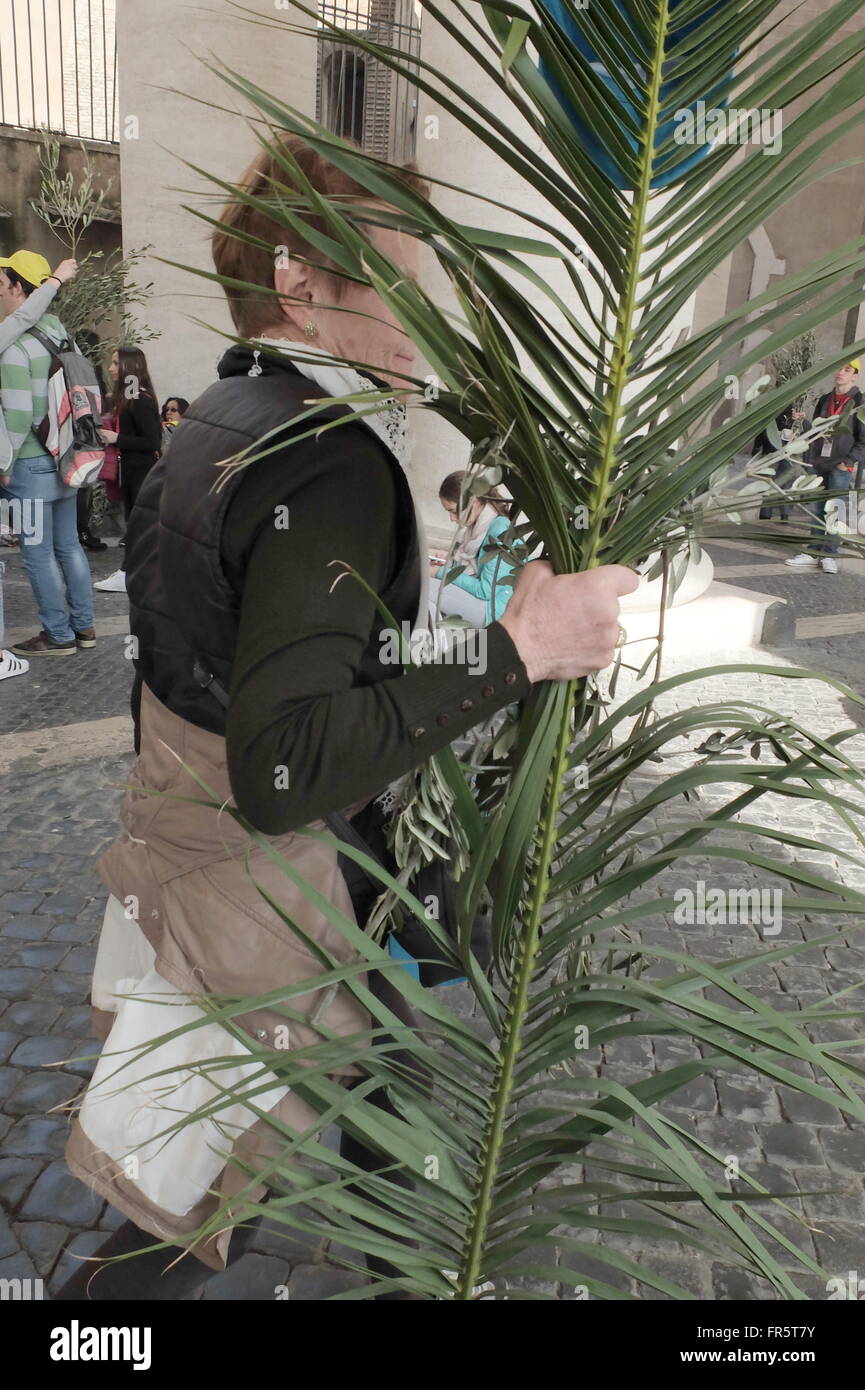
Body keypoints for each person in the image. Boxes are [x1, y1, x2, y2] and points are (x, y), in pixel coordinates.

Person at [58, 134, 637, 1301]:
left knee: (355, 1123)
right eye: (397, 278)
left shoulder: (216, 417)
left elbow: (200, 661)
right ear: (298, 278)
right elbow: (281, 769)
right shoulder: (328, 460)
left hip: (234, 880)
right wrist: (519, 651)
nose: (416, 316)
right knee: (169, 1230)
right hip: (273, 897)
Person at [0, 250, 95, 659]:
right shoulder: (60, 332)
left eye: (1, 286)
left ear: (19, 288)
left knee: (36, 552)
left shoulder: (14, 346)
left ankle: (57, 635)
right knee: (69, 546)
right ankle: (84, 627)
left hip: (30, 463)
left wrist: (4, 464)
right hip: (65, 456)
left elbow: (19, 416)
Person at [785, 360, 864, 574]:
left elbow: (863, 439)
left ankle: (830, 554)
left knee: (835, 510)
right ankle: (812, 553)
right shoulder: (825, 399)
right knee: (817, 509)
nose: (841, 373)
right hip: (819, 461)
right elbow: (818, 432)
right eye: (839, 368)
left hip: (840, 465)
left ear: (855, 376)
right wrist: (803, 424)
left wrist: (846, 463)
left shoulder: (859, 402)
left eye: (847, 370)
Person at [93, 345, 161, 594]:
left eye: (115, 363)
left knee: (137, 525)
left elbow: (152, 441)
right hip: (133, 472)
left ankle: (128, 573)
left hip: (141, 473)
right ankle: (135, 572)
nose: (111, 368)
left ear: (129, 367)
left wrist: (116, 438)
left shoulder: (139, 399)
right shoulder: (131, 398)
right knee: (136, 524)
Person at [430, 470, 519, 625]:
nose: (452, 518)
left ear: (474, 501)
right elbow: (475, 568)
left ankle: (431, 641)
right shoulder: (477, 528)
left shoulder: (499, 530)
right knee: (423, 586)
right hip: (484, 603)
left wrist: (441, 573)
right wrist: (449, 564)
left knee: (423, 587)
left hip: (495, 610)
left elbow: (485, 590)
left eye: (453, 510)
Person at [754, 404, 810, 522]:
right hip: (778, 454)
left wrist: (801, 420)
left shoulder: (797, 420)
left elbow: (807, 433)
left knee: (774, 484)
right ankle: (779, 514)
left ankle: (768, 514)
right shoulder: (778, 417)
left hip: (784, 455)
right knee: (779, 485)